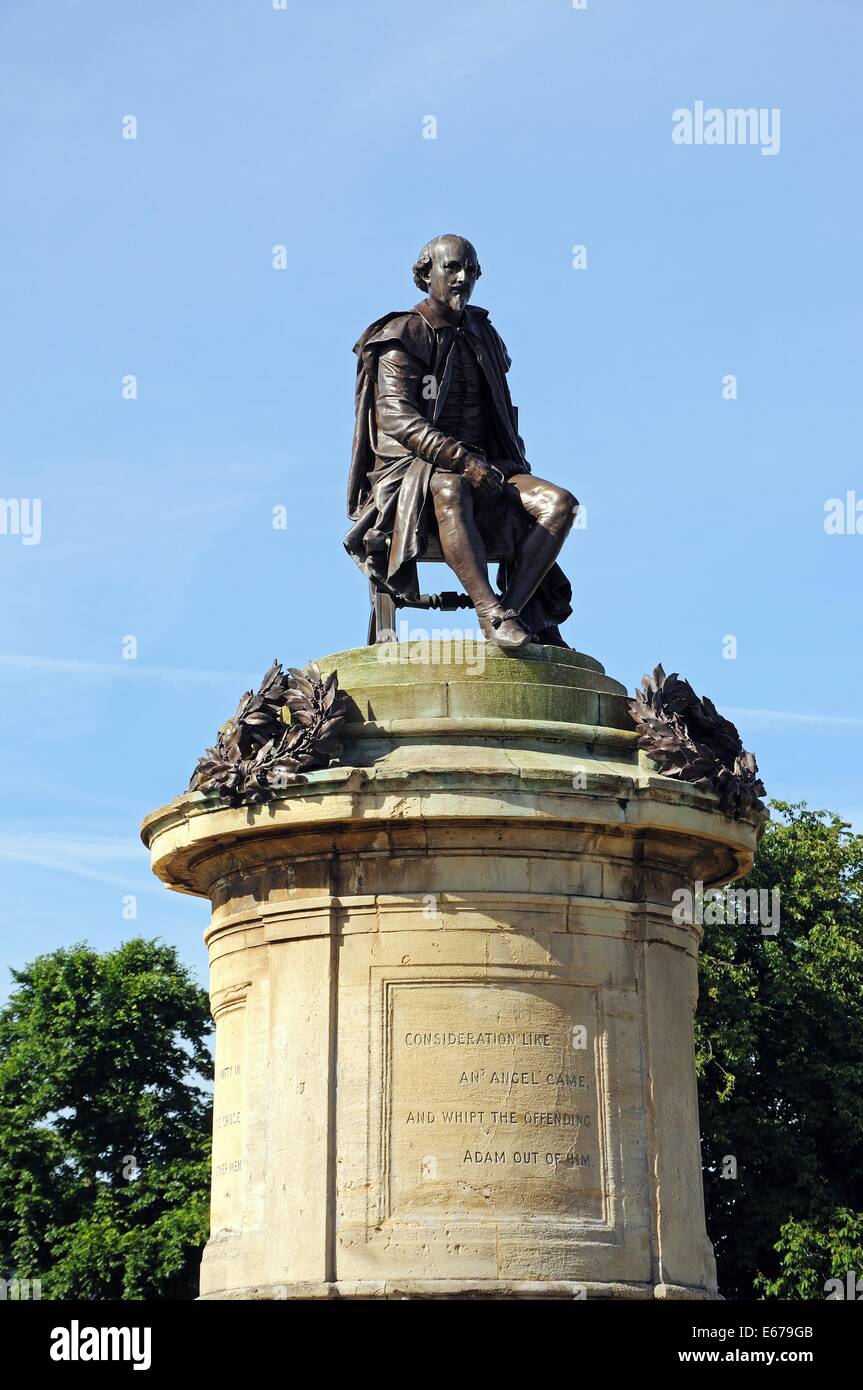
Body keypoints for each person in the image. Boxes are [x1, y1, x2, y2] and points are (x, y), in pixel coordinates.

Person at [345, 234, 578, 652]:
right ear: (426, 273)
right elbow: (398, 417)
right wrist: (461, 460)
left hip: (489, 466)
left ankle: (509, 612)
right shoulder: (402, 333)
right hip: (411, 471)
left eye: (470, 270)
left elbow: (502, 414)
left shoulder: (482, 334)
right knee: (448, 486)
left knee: (560, 503)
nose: (462, 278)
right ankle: (491, 612)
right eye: (451, 267)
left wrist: (503, 465)